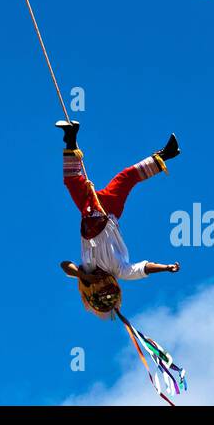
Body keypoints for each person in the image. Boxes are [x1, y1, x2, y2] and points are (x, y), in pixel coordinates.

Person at [56, 120, 181, 318]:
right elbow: (143, 268)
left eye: (99, 286)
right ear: (113, 283)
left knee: (72, 181)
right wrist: (166, 267)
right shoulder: (120, 270)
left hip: (90, 212)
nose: (101, 281)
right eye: (106, 284)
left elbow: (64, 265)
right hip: (109, 212)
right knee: (126, 177)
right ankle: (166, 155)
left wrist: (84, 276)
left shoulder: (87, 271)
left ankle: (70, 138)